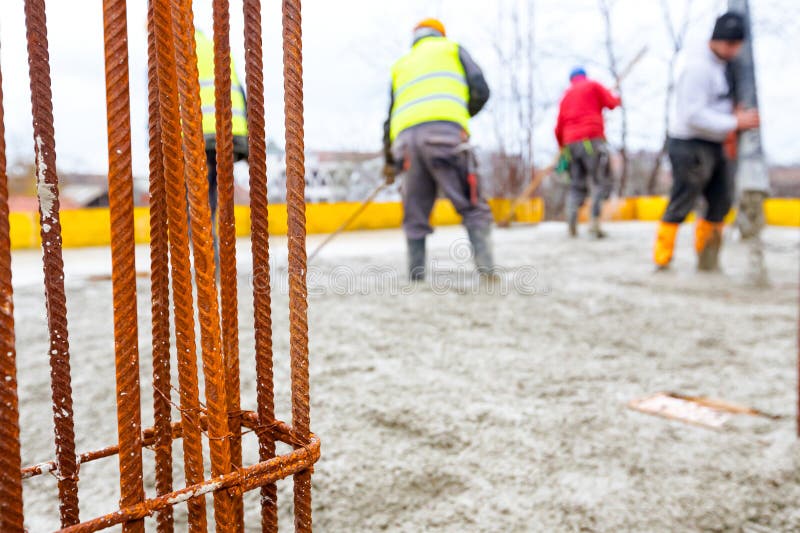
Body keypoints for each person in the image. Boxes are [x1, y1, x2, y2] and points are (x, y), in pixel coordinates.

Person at [383, 18, 493, 281]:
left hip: (406, 144)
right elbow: (481, 89)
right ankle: (487, 271)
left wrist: (389, 160)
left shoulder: (401, 65)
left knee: (415, 208)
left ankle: (416, 274)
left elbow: (389, 116)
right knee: (472, 203)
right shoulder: (452, 49)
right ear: (440, 35)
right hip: (445, 136)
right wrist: (458, 116)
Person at [653, 11, 760, 271]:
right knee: (683, 199)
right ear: (720, 41)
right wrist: (735, 123)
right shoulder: (698, 67)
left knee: (721, 201)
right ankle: (662, 258)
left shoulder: (726, 65)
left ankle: (708, 258)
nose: (735, 51)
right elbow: (693, 115)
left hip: (716, 143)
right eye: (732, 45)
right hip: (689, 143)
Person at [195, 30, 249, 268]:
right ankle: (217, 264)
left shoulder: (173, 48)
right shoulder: (213, 45)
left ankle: (210, 265)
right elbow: (240, 91)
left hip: (199, 137)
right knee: (213, 201)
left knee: (197, 206)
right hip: (228, 135)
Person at [554, 67, 621, 238]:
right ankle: (594, 222)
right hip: (591, 139)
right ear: (584, 76)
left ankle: (572, 220)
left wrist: (562, 148)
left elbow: (558, 127)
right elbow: (612, 104)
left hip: (570, 144)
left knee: (576, 183)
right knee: (599, 181)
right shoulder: (593, 86)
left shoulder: (566, 96)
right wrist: (617, 97)